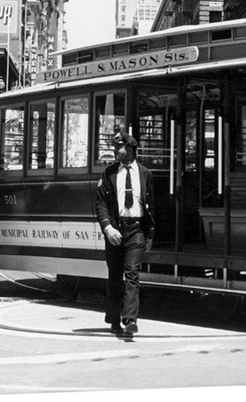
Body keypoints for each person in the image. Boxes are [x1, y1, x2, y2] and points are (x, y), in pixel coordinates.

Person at [95, 129, 155, 336]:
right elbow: (101, 203)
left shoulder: (145, 174)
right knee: (114, 276)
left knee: (132, 273)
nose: (115, 151)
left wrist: (149, 235)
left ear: (129, 149)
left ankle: (130, 320)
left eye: (119, 147)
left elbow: (151, 206)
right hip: (116, 230)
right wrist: (108, 227)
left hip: (136, 230)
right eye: (114, 147)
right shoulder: (109, 173)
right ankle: (113, 319)